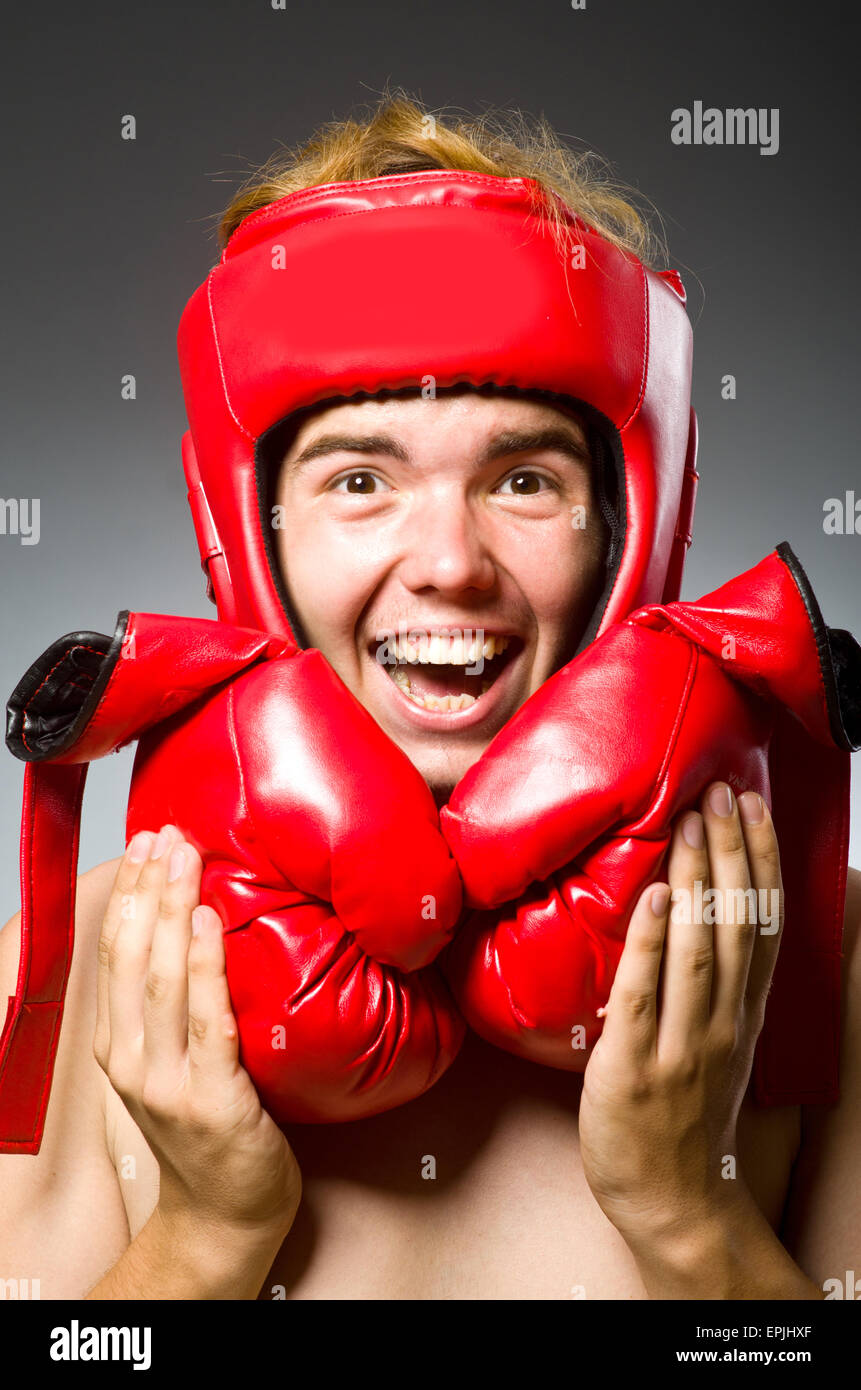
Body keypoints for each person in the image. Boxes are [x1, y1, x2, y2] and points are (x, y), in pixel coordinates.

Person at [1, 94, 859, 1301]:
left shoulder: (810, 948)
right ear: (250, 532)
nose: (450, 560)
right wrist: (201, 1238)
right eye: (361, 480)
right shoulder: (102, 955)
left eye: (523, 478)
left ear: (632, 523)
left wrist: (692, 1220)